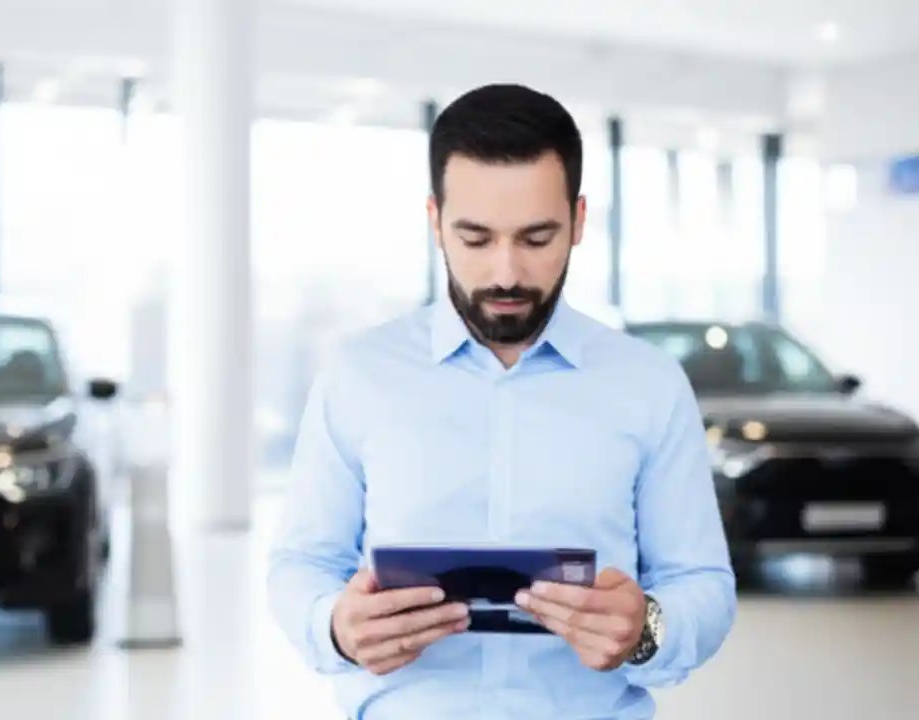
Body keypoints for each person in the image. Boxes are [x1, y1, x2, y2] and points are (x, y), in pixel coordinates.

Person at [267, 83, 735, 719]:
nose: (507, 273)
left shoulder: (649, 384)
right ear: (435, 221)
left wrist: (647, 628)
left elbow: (701, 582)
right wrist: (334, 625)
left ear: (578, 221)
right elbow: (303, 562)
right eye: (476, 238)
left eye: (537, 238)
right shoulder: (358, 376)